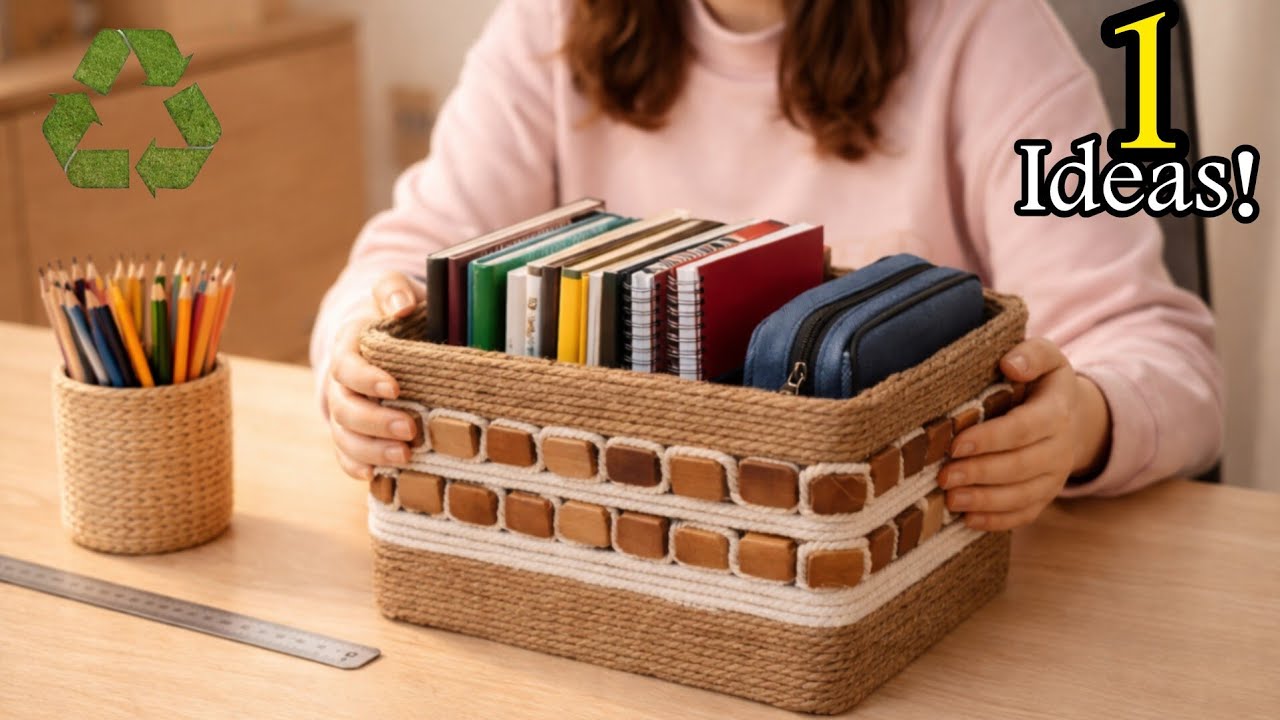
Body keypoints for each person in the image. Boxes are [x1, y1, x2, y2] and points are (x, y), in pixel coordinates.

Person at [311, 0, 1223, 531]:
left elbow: (1166, 357)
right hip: (612, 547)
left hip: (901, 572)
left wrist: (1084, 424)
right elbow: (403, 261)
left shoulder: (987, 27)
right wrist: (353, 352)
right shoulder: (552, 21)